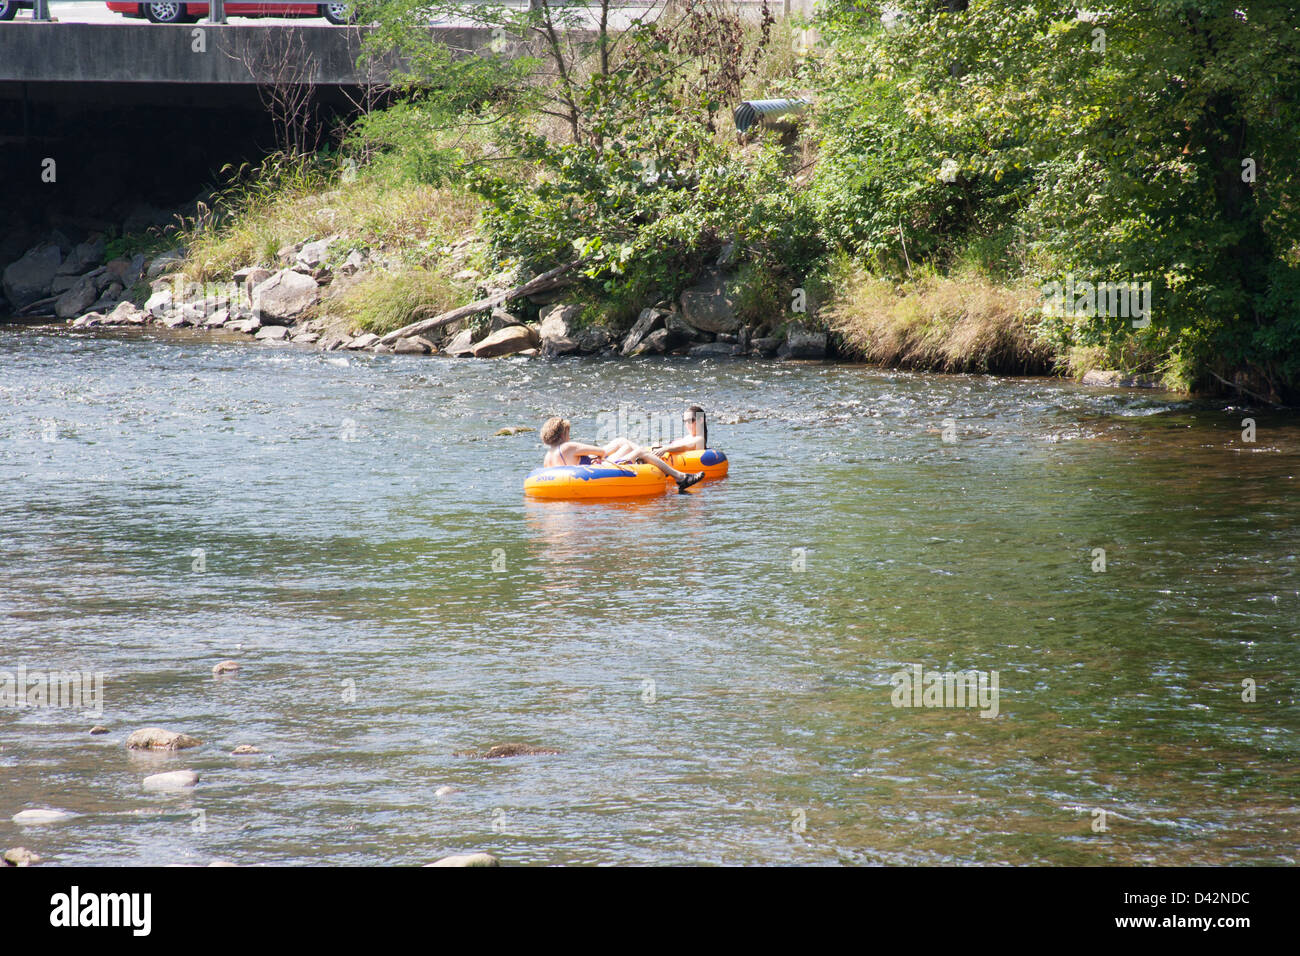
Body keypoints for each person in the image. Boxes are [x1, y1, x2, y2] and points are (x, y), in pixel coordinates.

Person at [539, 416, 704, 493]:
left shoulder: (548, 456)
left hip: (573, 482)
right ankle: (680, 478)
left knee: (622, 442)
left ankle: (641, 459)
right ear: (562, 435)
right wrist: (594, 457)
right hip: (596, 474)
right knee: (638, 451)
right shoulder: (569, 446)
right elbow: (602, 452)